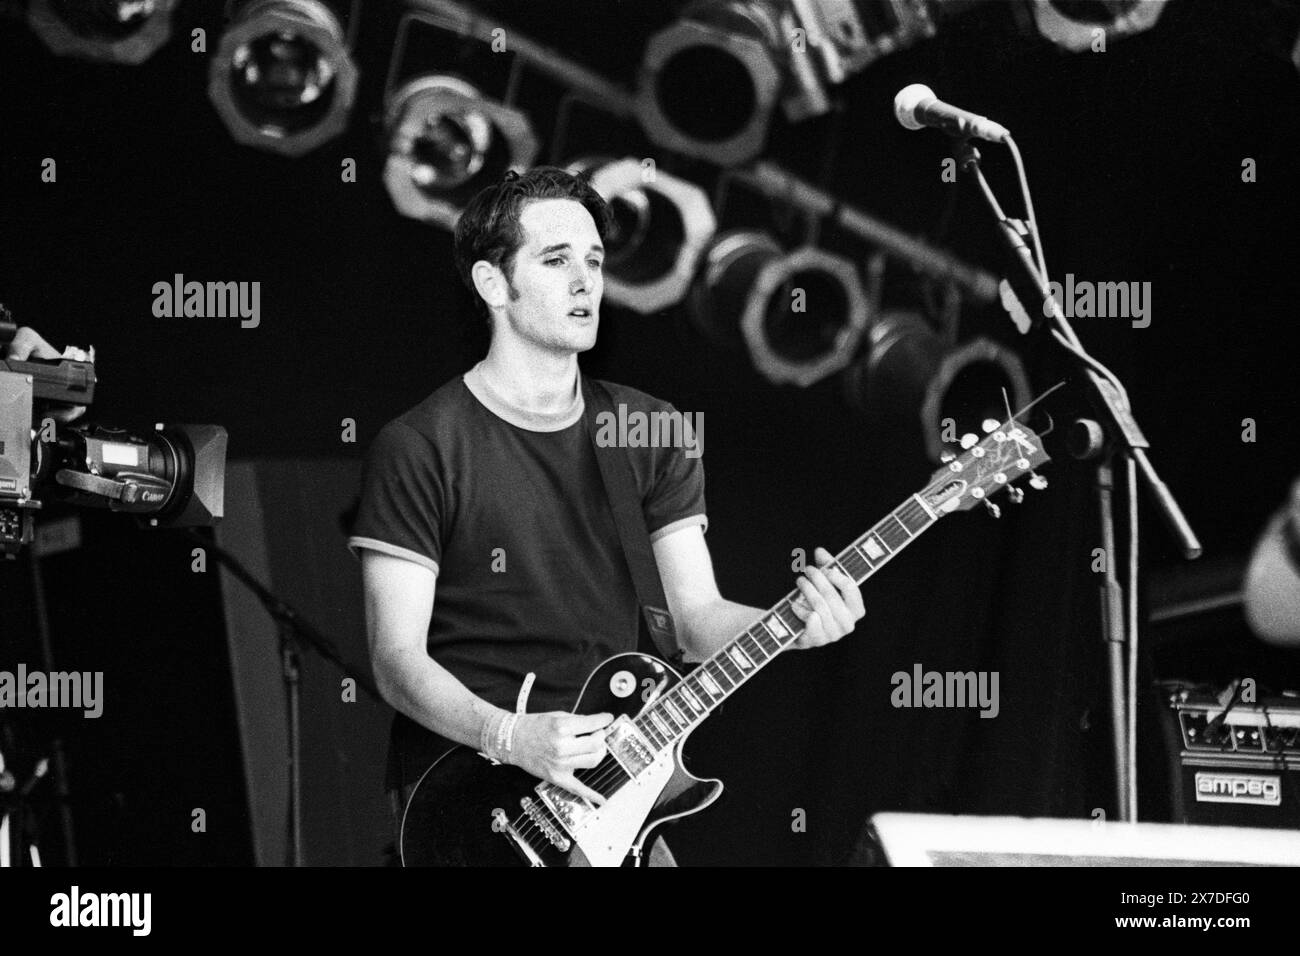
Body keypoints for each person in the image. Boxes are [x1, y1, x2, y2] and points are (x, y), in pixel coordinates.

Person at [347, 166, 865, 864]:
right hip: (478, 807)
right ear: (492, 285)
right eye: (557, 261)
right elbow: (395, 660)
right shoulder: (421, 445)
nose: (587, 281)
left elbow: (694, 621)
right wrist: (511, 735)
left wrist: (794, 627)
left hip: (619, 797)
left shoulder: (651, 428)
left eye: (593, 260)